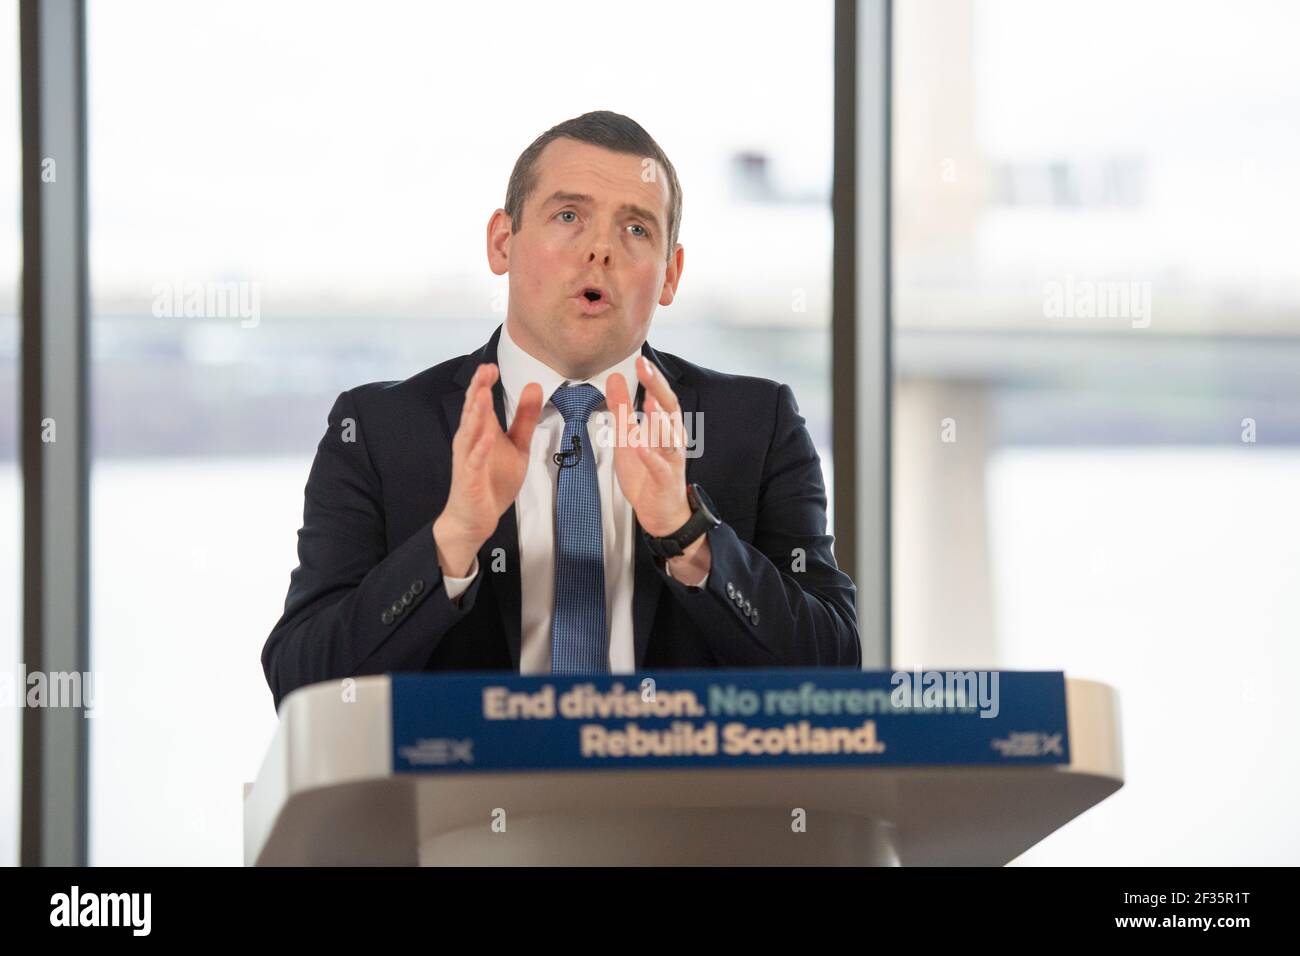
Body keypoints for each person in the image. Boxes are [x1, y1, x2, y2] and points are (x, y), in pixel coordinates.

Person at [262, 111, 859, 712]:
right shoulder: (377, 431)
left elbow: (834, 674)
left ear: (670, 274)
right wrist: (453, 540)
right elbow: (302, 683)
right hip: (464, 804)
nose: (600, 248)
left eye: (635, 229)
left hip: (683, 804)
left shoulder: (757, 425)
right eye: (568, 216)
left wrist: (688, 535)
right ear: (502, 242)